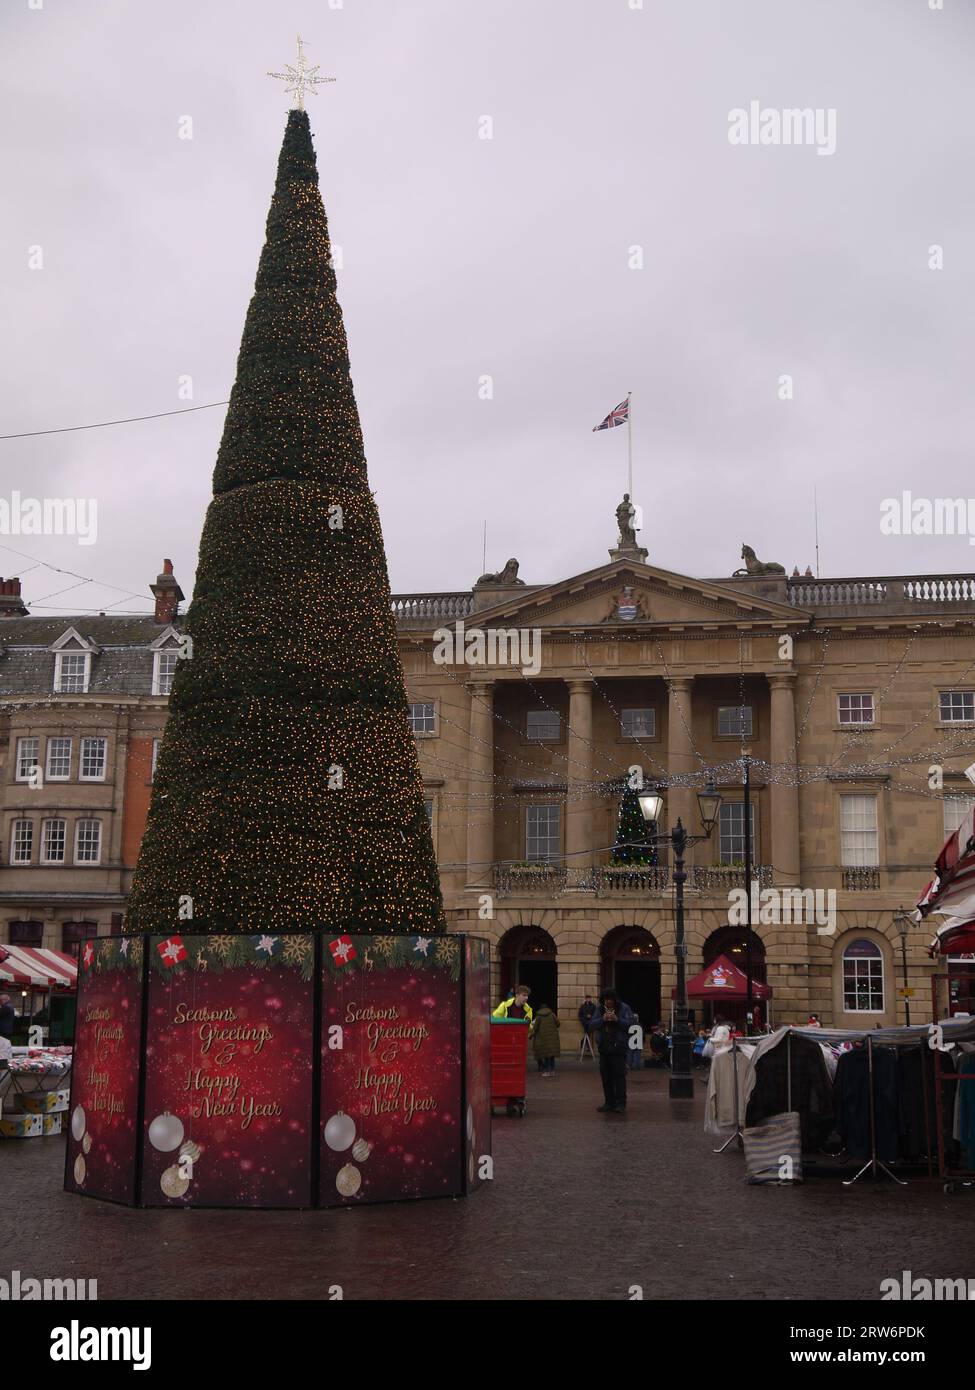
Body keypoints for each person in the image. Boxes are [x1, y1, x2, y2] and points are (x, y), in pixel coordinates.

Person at [589, 989, 634, 1113]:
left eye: (610, 999)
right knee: (606, 1077)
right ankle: (609, 1102)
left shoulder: (624, 1008)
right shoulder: (599, 1009)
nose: (608, 1002)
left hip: (619, 1047)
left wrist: (617, 1019)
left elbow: (630, 1025)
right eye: (606, 999)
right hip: (604, 1047)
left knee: (619, 1077)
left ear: (615, 999)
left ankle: (621, 1104)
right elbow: (591, 1025)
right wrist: (602, 1019)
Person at [531, 1004, 560, 1076]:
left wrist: (532, 1034)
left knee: (546, 1055)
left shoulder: (539, 1017)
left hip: (543, 1038)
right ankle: (552, 1071)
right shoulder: (552, 1014)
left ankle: (547, 1071)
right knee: (552, 1056)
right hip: (552, 1038)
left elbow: (535, 1028)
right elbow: (558, 1024)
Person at [0, 992, 15, 1064]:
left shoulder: (5, 1007)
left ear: (3, 1000)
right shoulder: (11, 1006)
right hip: (7, 1031)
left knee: (3, 1052)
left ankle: (3, 1071)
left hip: (2, 1032)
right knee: (6, 1051)